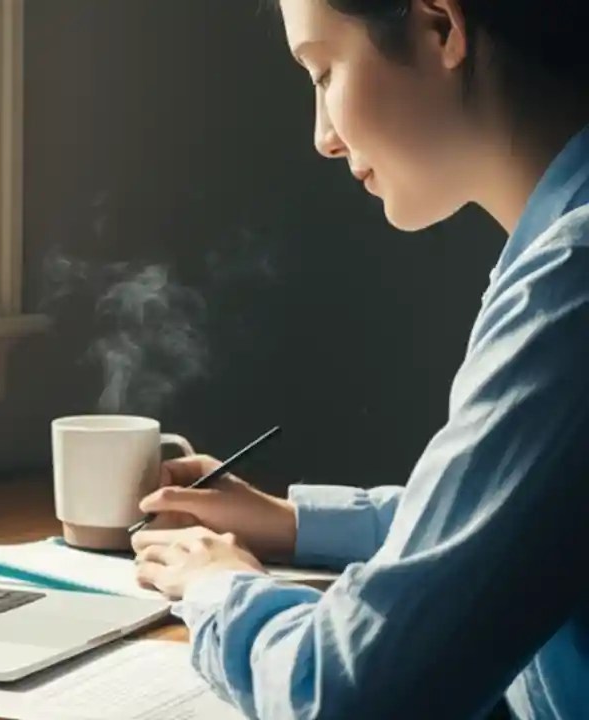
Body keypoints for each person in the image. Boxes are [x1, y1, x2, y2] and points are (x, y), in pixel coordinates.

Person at [128, 1, 589, 718]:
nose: (324, 138)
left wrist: (218, 588)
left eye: (323, 70)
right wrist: (292, 522)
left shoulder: (572, 289)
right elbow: (515, 520)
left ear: (440, 27)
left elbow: (351, 695)